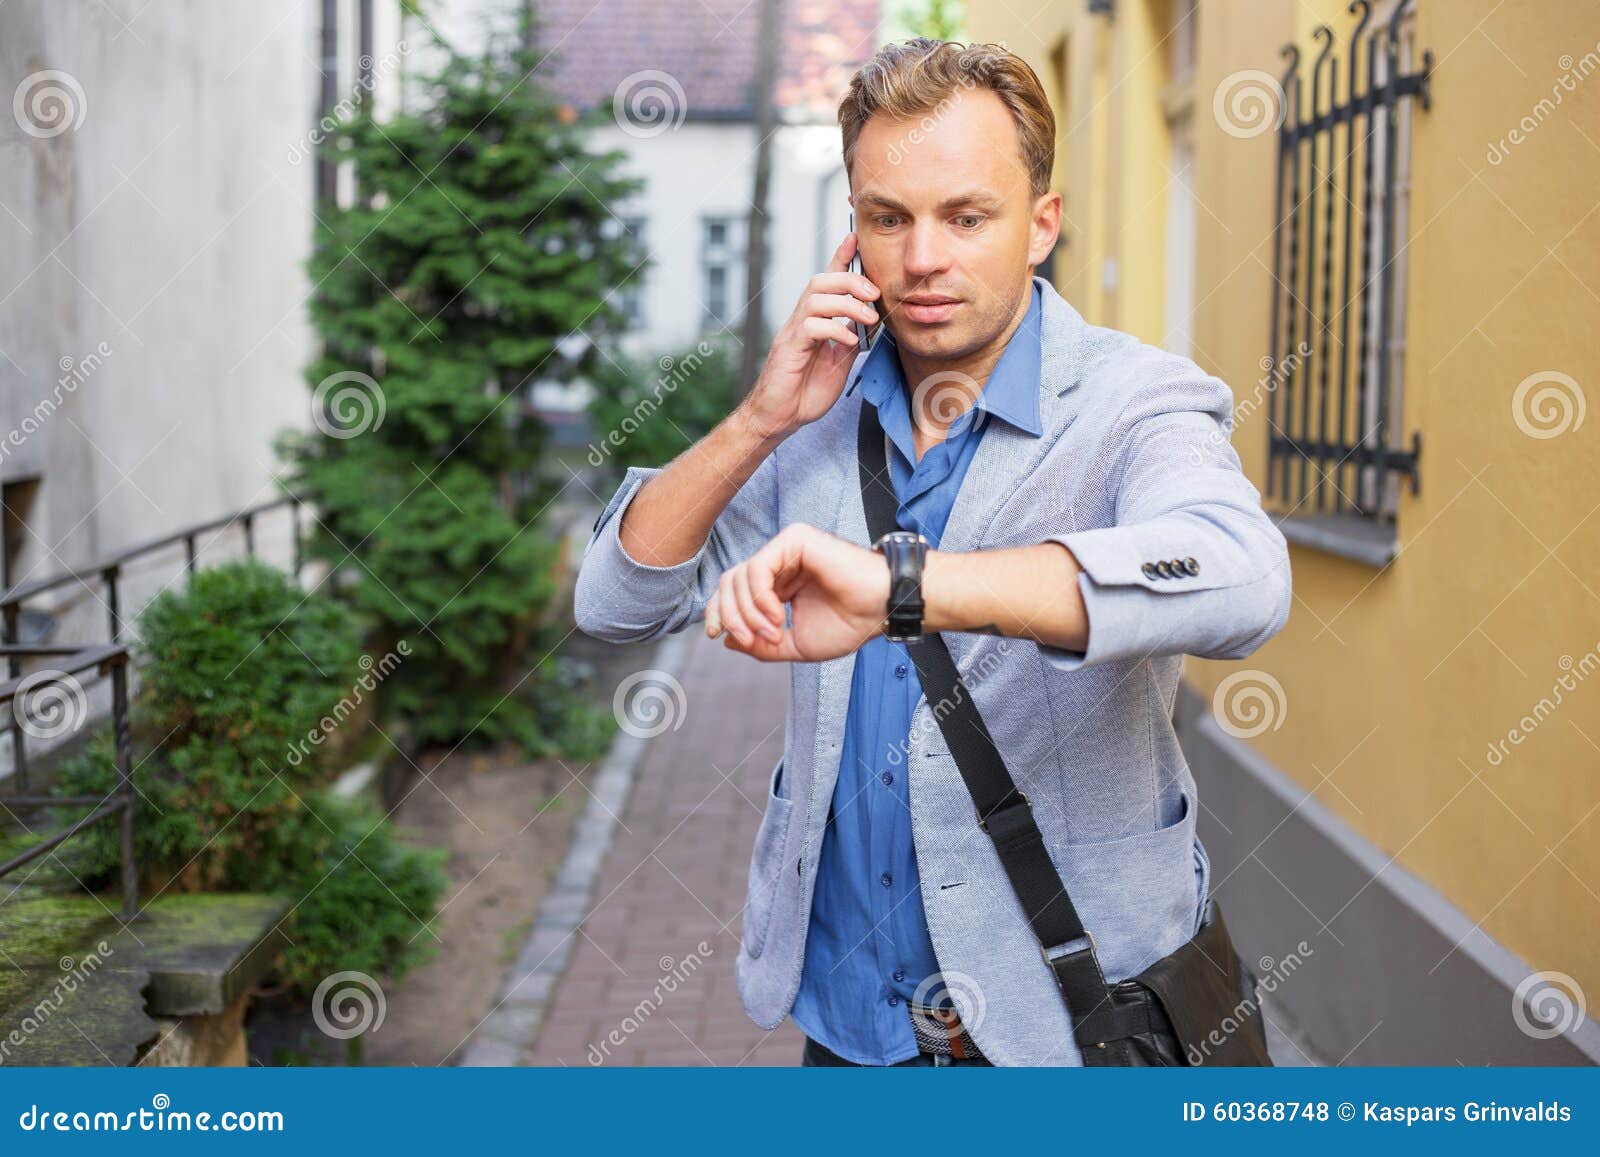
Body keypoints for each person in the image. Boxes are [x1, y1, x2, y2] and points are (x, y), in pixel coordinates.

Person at [574, 38, 1292, 1067]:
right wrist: (760, 419)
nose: (919, 260)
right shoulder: (813, 419)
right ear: (853, 228)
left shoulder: (1136, 400)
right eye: (886, 217)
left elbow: (1242, 574)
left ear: (1040, 225)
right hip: (852, 1018)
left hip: (1061, 1027)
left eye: (966, 217)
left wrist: (908, 589)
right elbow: (614, 601)